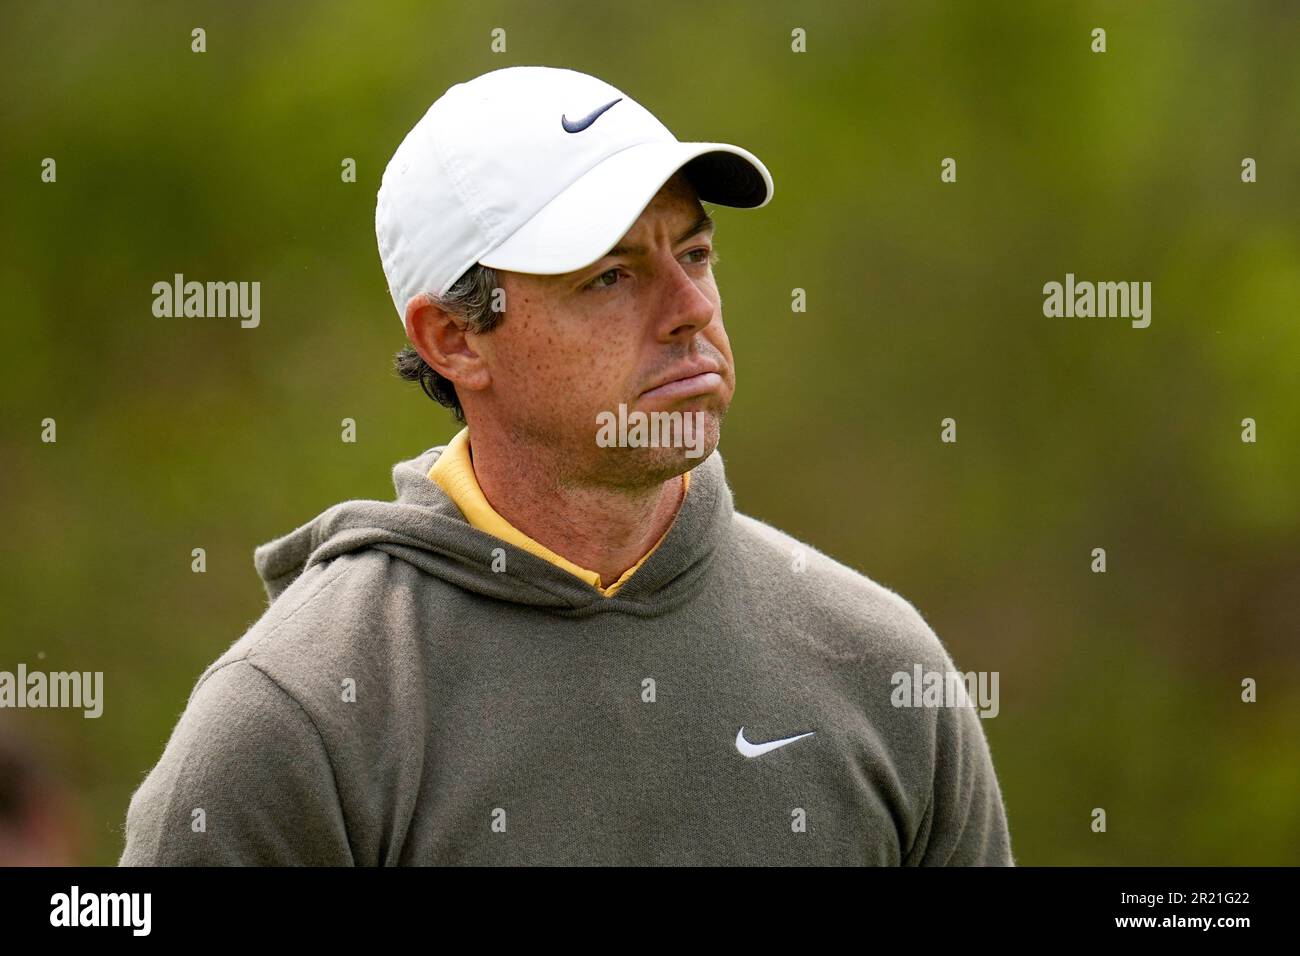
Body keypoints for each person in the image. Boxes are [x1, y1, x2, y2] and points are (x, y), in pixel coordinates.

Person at [119, 65, 1013, 866]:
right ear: (454, 338)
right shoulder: (298, 719)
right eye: (609, 277)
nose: (691, 308)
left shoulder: (882, 664)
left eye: (694, 252)